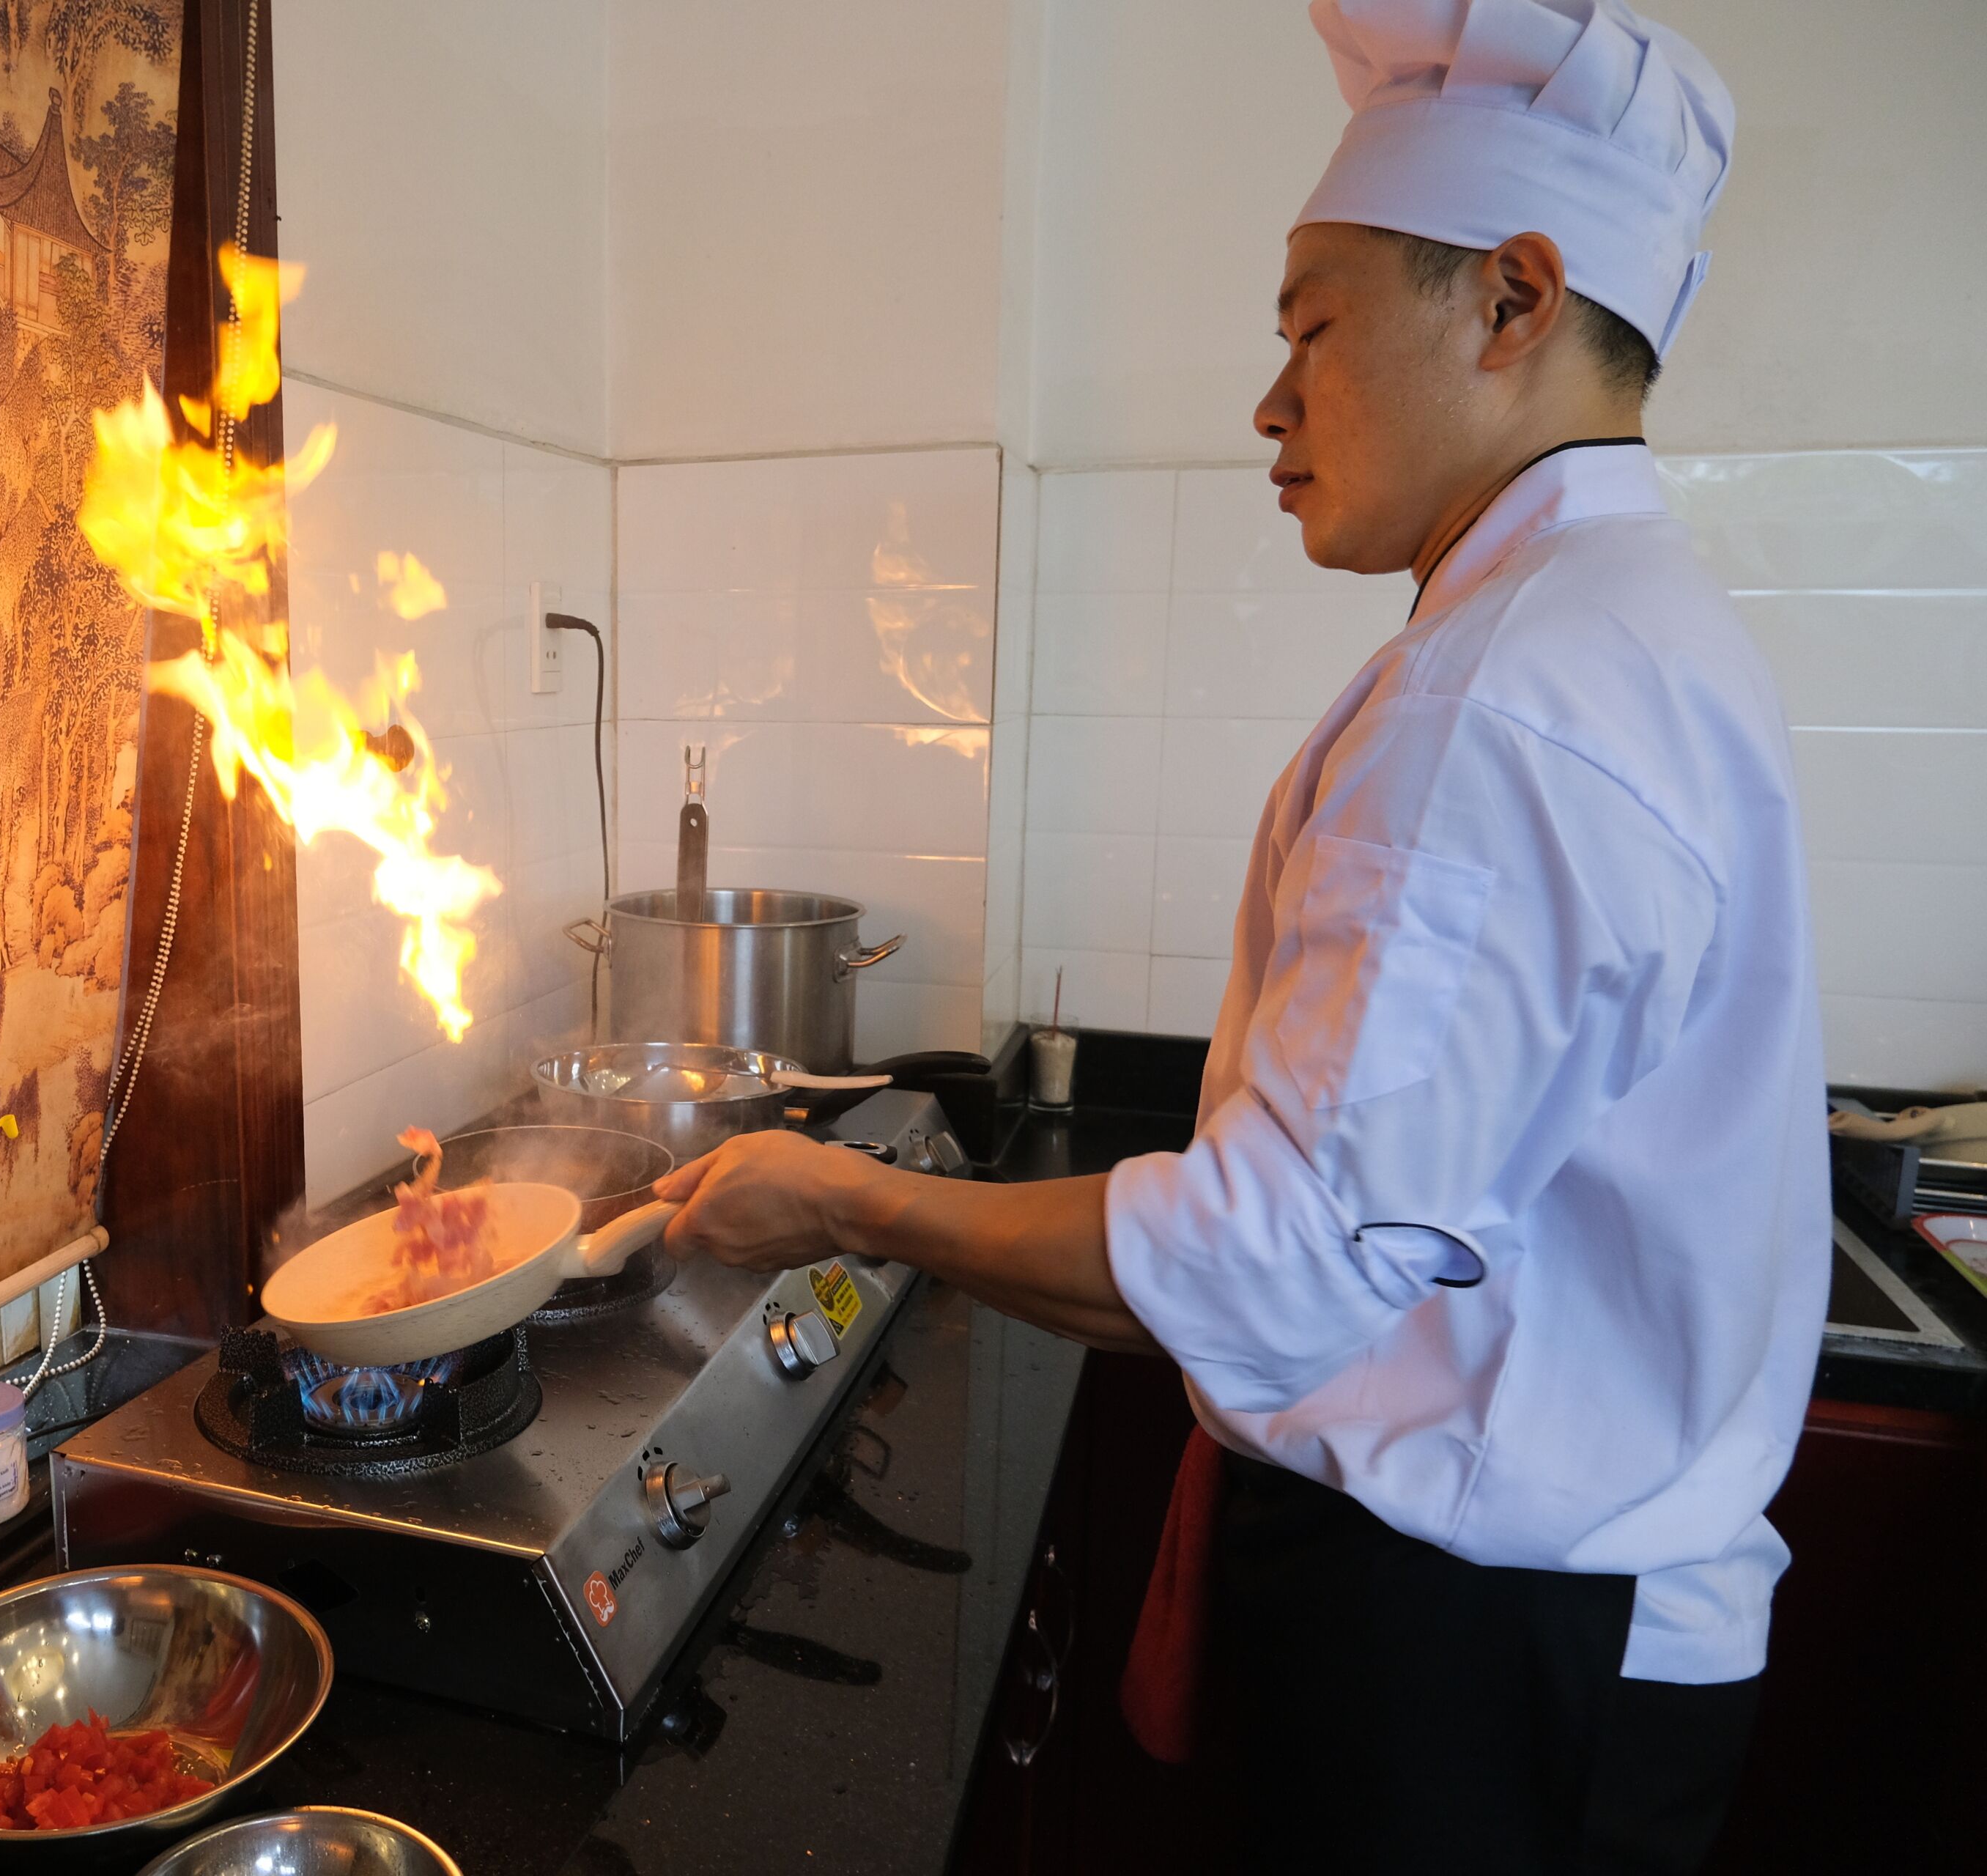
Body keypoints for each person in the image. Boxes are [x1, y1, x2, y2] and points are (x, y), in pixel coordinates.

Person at [654, 2, 1826, 1869]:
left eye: (1311, 332)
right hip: (1538, 1616)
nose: (1271, 402)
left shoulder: (1508, 694)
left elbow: (1274, 1261)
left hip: (1480, 1642)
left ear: (1512, 302)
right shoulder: (1615, 620)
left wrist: (843, 1198)